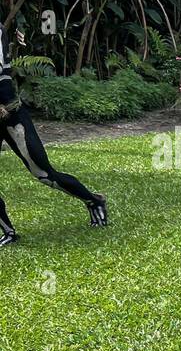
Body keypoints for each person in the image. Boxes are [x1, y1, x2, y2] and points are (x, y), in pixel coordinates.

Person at [0, 19, 108, 246]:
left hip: (10, 113)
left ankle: (94, 201)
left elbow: (3, 79)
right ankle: (8, 231)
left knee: (43, 173)